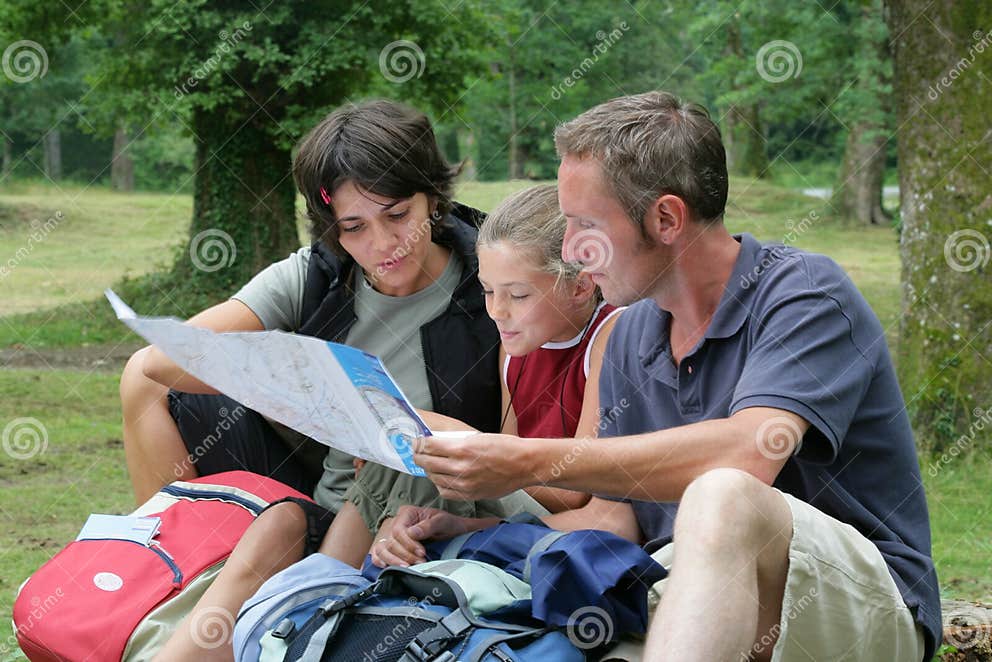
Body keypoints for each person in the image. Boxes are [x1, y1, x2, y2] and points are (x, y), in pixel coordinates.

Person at [409, 91, 941, 662]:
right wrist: (472, 529)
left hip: (860, 611)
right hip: (691, 603)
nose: (570, 250)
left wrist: (525, 458)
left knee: (723, 492)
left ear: (665, 217)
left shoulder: (806, 295)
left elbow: (750, 453)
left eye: (585, 225)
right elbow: (615, 518)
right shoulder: (631, 335)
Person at [122, 99, 501, 661]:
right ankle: (172, 567)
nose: (381, 244)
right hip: (322, 495)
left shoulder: (494, 275)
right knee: (141, 381)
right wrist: (296, 385)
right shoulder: (319, 273)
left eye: (398, 215)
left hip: (423, 510)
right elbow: (162, 362)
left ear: (433, 197)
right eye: (353, 227)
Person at [319, 184, 629, 569]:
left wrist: (464, 443)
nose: (497, 311)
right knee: (408, 453)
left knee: (427, 446)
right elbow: (514, 468)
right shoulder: (514, 350)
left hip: (571, 526)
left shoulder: (610, 338)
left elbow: (576, 490)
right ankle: (329, 585)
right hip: (529, 505)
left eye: (517, 295)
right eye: (486, 291)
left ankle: (343, 588)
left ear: (581, 286)